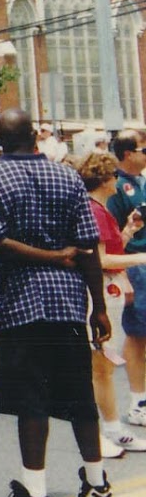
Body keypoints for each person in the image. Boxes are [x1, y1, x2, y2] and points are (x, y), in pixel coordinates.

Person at [0, 109, 115, 497]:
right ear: (35, 135)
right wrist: (99, 307)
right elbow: (88, 246)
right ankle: (98, 486)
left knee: (30, 400)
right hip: (69, 302)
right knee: (80, 396)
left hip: (21, 303)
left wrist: (49, 256)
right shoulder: (67, 176)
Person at [76, 151, 146, 455]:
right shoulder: (94, 210)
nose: (118, 180)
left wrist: (128, 232)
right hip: (102, 292)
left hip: (111, 290)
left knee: (103, 365)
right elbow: (102, 259)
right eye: (114, 176)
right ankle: (105, 429)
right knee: (99, 367)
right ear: (105, 180)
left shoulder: (99, 209)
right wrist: (141, 256)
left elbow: (109, 247)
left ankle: (112, 426)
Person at [105, 128, 146, 431]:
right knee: (138, 334)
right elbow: (114, 238)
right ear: (129, 153)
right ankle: (138, 402)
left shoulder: (139, 182)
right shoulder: (118, 187)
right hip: (135, 264)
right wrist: (125, 275)